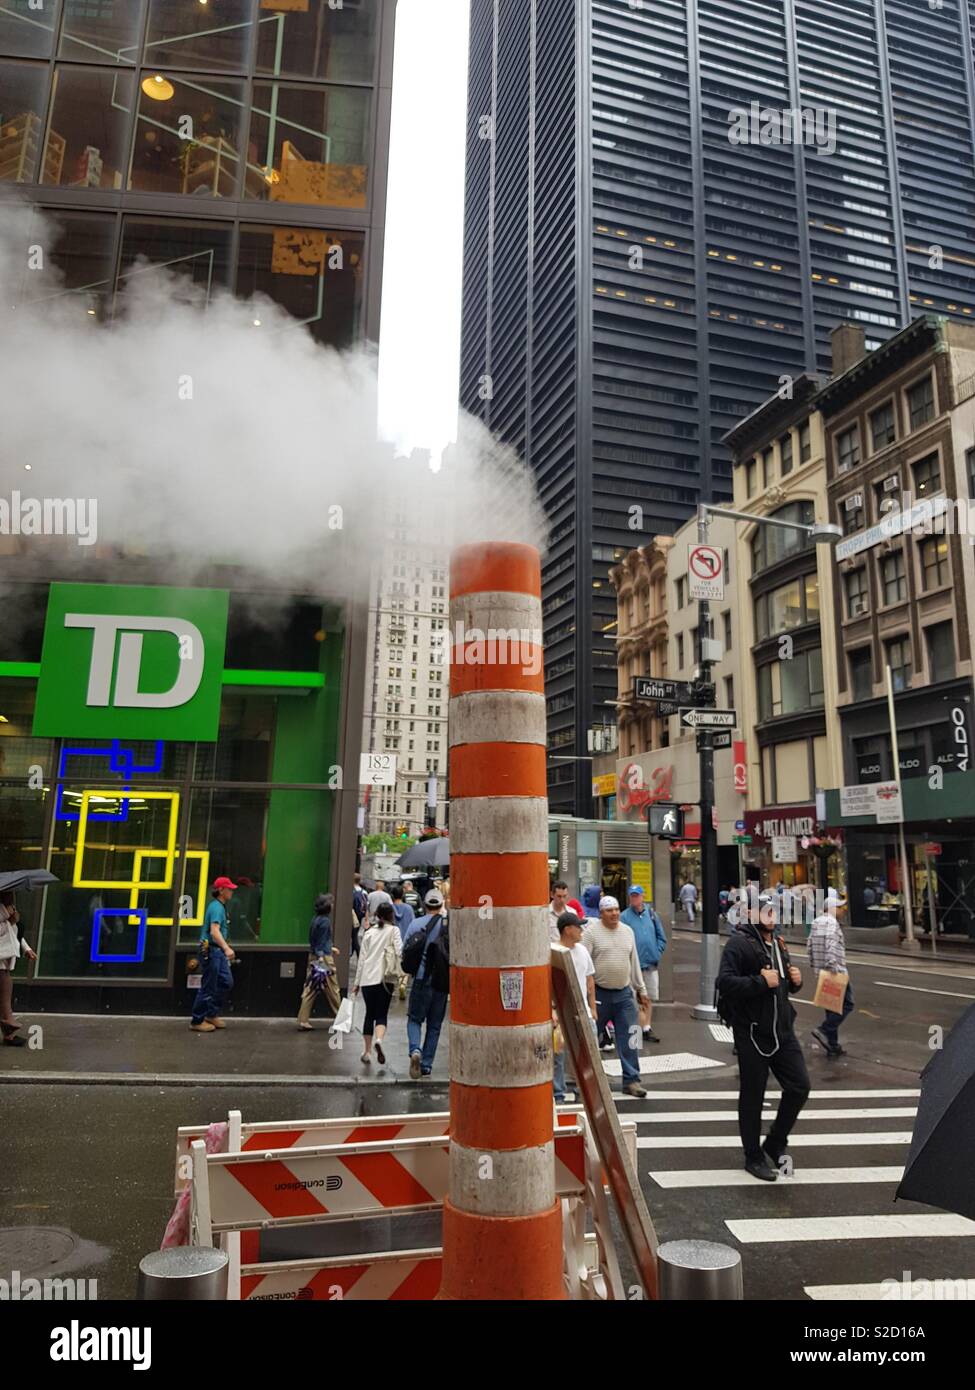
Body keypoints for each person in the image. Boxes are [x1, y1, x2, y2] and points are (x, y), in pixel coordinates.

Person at [716, 894, 809, 1181]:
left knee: (800, 1086)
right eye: (764, 910)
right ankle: (753, 1156)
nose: (771, 915)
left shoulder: (778, 943)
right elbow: (725, 982)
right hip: (753, 1032)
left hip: (782, 1030)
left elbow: (780, 988)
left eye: (774, 910)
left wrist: (795, 982)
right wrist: (759, 982)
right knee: (753, 1095)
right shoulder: (739, 943)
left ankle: (775, 1140)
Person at [582, 896, 650, 1098]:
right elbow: (583, 964)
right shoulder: (591, 933)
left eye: (616, 909)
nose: (614, 914)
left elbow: (634, 962)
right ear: (601, 913)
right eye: (609, 910)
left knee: (632, 1036)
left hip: (624, 993)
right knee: (591, 1038)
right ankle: (588, 1082)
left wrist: (641, 990)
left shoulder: (628, 931)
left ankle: (632, 1079)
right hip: (599, 994)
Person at [402, 888, 450, 1079]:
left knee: (414, 1019)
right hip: (441, 981)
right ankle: (427, 1065)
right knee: (435, 1024)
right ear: (441, 904)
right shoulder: (448, 926)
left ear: (425, 905)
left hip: (421, 979)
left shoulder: (415, 924)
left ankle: (415, 1049)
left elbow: (405, 949)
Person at [552, 911, 598, 1104]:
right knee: (558, 1056)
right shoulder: (553, 951)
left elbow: (589, 980)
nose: (581, 930)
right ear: (568, 930)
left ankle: (584, 1091)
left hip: (582, 1010)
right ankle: (558, 1094)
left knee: (588, 1053)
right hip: (559, 1012)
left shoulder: (582, 951)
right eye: (578, 927)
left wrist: (593, 1007)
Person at [352, 901, 401, 1066]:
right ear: (391, 916)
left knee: (369, 1014)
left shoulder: (369, 933)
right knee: (381, 1014)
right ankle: (379, 1040)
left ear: (377, 915)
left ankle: (367, 1051)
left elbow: (362, 960)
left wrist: (357, 983)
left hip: (367, 979)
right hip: (385, 979)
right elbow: (400, 952)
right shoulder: (394, 931)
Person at [809, 889, 853, 1057]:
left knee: (831, 1007)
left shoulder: (816, 922)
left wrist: (816, 968)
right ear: (832, 908)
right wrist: (833, 968)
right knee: (848, 1004)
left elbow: (810, 947)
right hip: (835, 971)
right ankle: (824, 1029)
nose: (842, 910)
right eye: (839, 907)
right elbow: (831, 945)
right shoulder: (831, 923)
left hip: (821, 972)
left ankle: (832, 1046)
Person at [620, 884, 667, 1043]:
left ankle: (646, 1027)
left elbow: (662, 937)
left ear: (642, 896)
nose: (634, 898)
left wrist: (657, 951)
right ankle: (636, 1029)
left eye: (637, 895)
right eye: (632, 895)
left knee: (649, 997)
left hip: (651, 964)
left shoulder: (652, 914)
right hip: (634, 966)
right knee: (634, 999)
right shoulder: (624, 917)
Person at [191, 877, 237, 1033]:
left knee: (226, 982)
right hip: (211, 950)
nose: (232, 891)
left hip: (217, 951)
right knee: (209, 986)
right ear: (221, 890)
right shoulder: (217, 908)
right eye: (229, 889)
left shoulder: (220, 907)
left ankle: (211, 1014)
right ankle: (197, 1020)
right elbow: (214, 931)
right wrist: (227, 948)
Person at [296, 893, 340, 1030]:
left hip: (313, 956)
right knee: (333, 988)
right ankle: (342, 1019)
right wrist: (323, 959)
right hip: (323, 959)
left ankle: (303, 1019)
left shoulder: (315, 919)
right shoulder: (325, 921)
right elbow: (321, 943)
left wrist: (329, 948)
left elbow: (316, 941)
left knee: (311, 988)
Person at [0, 891, 37, 1046]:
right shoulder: (4, 914)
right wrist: (4, 915)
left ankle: (9, 1031)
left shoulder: (10, 914)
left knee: (5, 994)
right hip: (1, 959)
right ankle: (8, 1025)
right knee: (4, 993)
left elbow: (16, 936)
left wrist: (26, 948)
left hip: (6, 959)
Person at [390, 884, 415, 999]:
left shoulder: (389, 908)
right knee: (405, 963)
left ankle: (396, 982)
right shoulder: (409, 909)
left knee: (395, 962)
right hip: (406, 938)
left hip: (392, 940)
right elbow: (413, 924)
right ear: (402, 894)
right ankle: (403, 983)